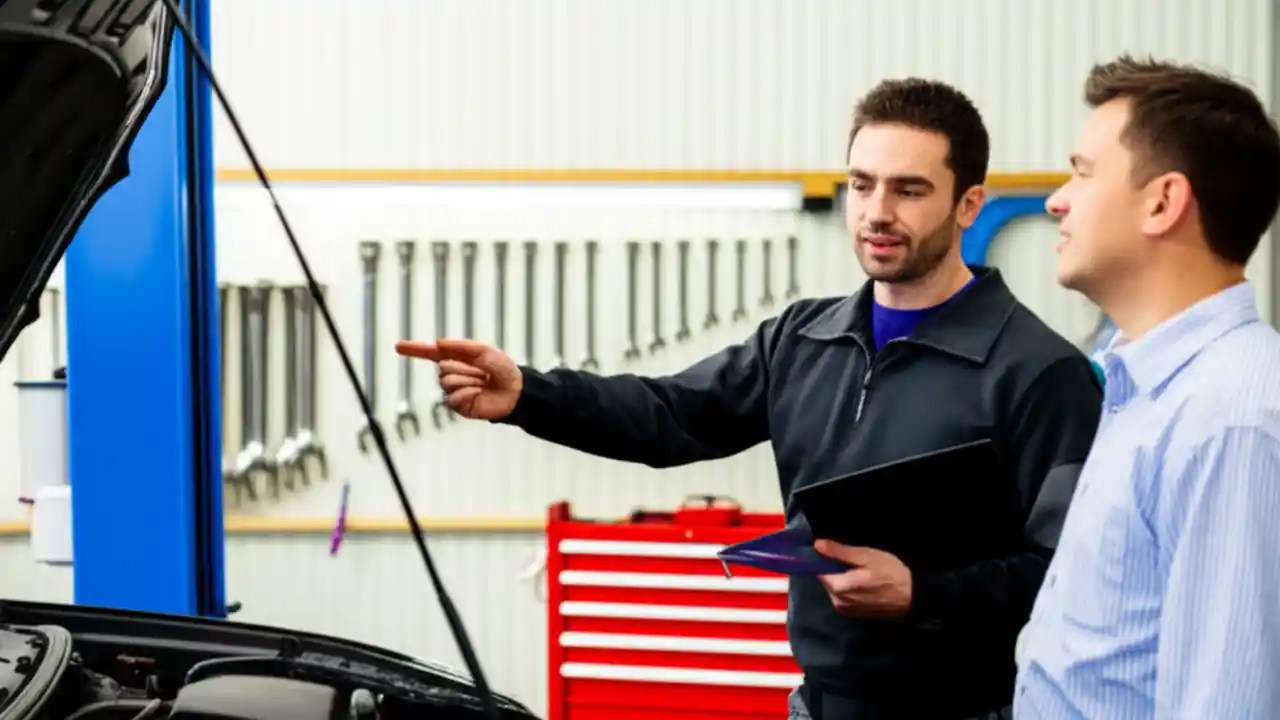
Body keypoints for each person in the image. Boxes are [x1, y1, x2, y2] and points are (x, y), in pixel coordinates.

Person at [399, 79, 1103, 719]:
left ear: (968, 203)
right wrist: (530, 393)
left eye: (909, 190)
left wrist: (924, 594)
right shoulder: (802, 339)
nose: (877, 212)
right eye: (862, 185)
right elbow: (669, 417)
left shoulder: (1040, 373)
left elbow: (1067, 573)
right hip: (815, 706)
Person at [1013, 55, 1280, 719]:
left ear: (1163, 201)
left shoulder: (1233, 418)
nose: (1056, 200)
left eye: (1082, 172)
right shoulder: (1144, 386)